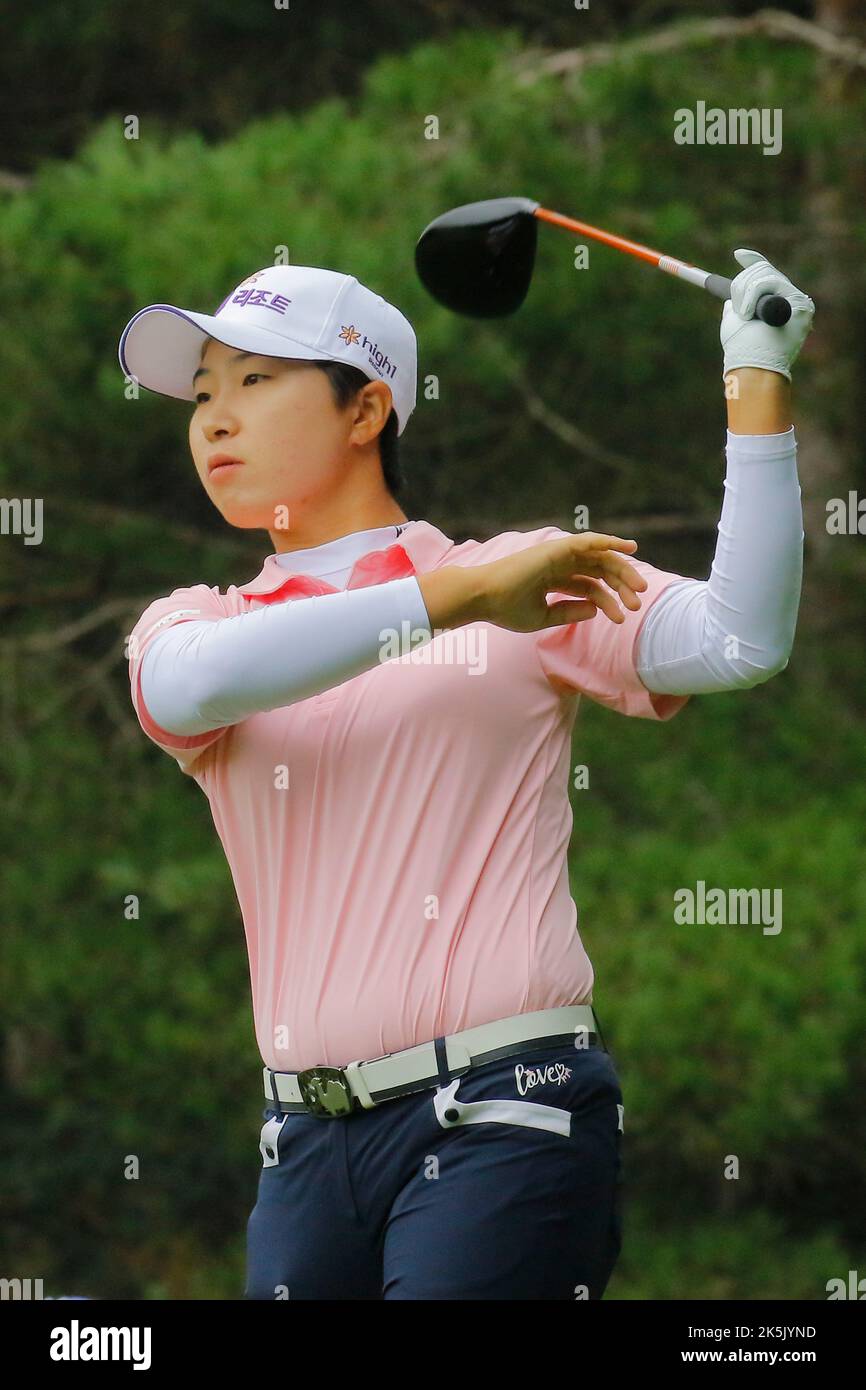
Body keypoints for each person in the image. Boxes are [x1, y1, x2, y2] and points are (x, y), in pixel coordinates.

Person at [118, 256, 812, 1300]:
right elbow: (192, 683)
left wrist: (753, 381)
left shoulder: (526, 579)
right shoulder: (201, 621)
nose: (214, 418)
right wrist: (464, 595)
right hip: (304, 1147)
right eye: (203, 393)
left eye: (255, 381)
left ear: (368, 409)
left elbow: (738, 638)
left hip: (506, 1106)